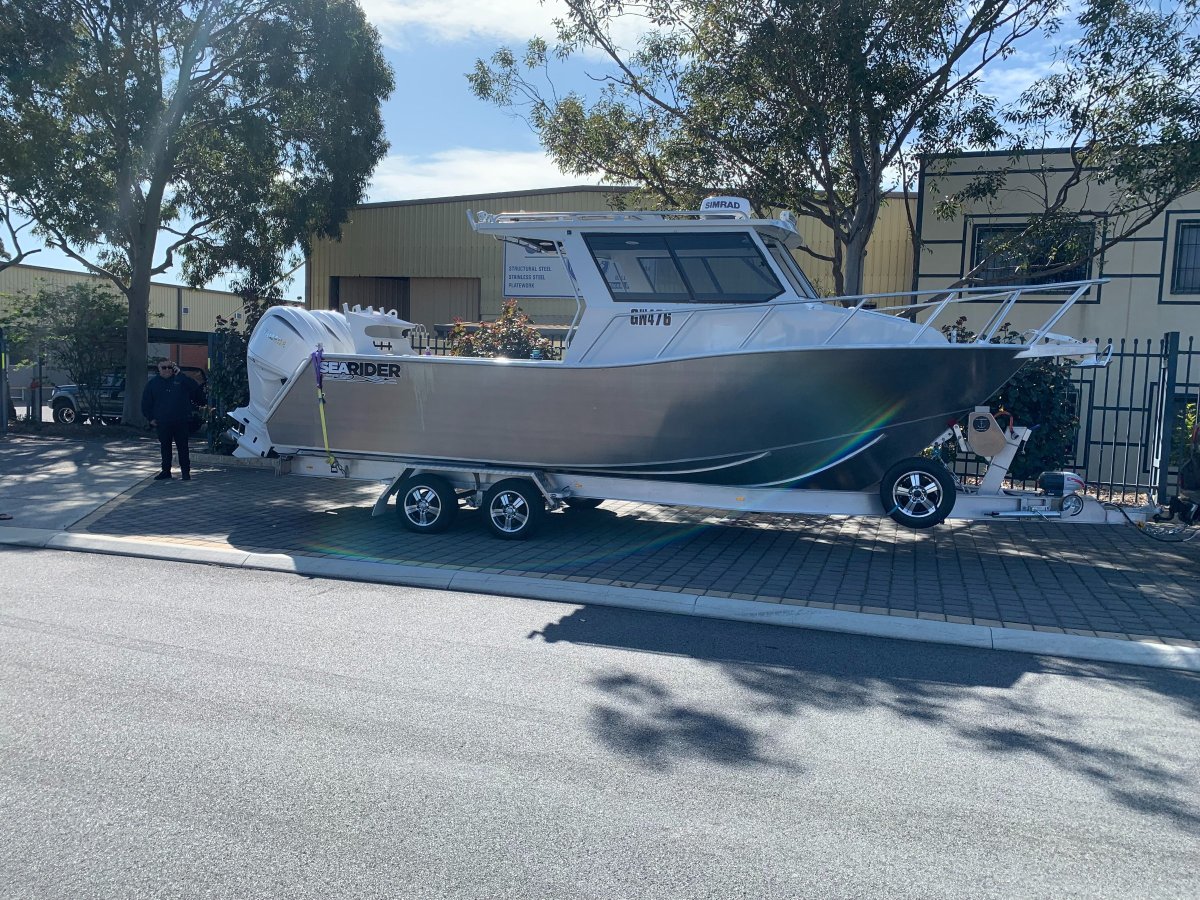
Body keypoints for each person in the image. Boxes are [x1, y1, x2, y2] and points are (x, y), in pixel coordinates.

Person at [141, 360, 204, 480]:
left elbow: (195, 388)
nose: (167, 370)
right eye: (164, 367)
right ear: (159, 369)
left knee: (183, 447)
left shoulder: (181, 380)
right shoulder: (153, 383)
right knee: (165, 447)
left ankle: (185, 472)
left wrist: (180, 374)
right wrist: (150, 418)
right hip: (162, 421)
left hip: (181, 420)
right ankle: (166, 471)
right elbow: (146, 402)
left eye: (169, 367)